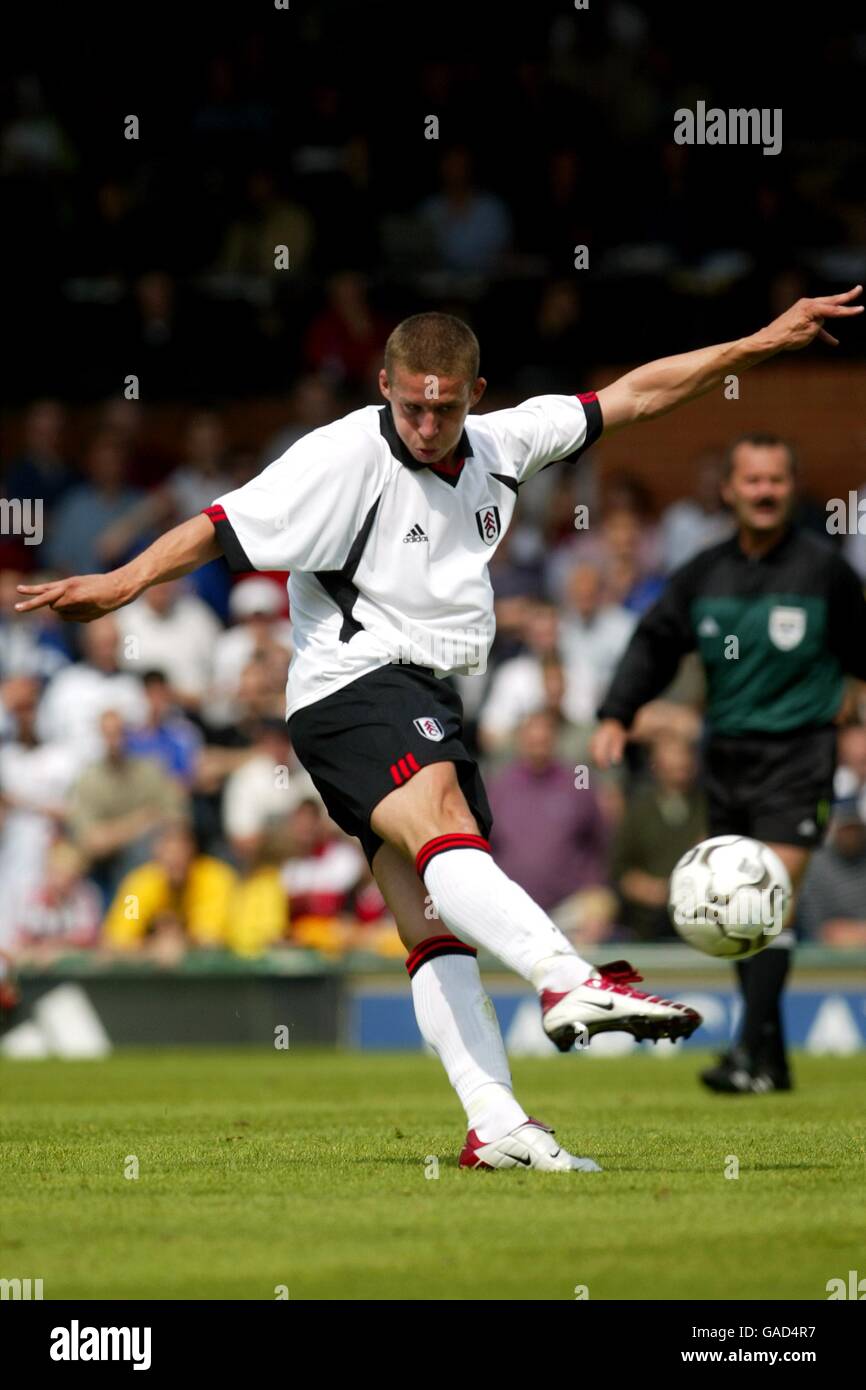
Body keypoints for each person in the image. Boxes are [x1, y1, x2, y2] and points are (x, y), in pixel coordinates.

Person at [15, 288, 864, 1170]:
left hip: (425, 692)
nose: (426, 423)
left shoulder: (503, 444)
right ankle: (569, 979)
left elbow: (643, 393)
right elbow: (215, 524)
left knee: (430, 918)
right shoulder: (338, 458)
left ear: (477, 394)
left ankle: (497, 1124)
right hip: (352, 686)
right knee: (448, 827)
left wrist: (763, 342)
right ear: (383, 386)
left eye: (445, 407)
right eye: (411, 404)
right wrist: (121, 583)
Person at [592, 430, 866, 1093]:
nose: (765, 491)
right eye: (753, 480)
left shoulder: (824, 569)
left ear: (791, 487)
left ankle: (749, 1056)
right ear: (729, 489)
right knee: (738, 912)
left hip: (801, 755)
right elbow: (654, 641)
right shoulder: (704, 573)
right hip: (728, 758)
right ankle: (771, 1061)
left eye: (776, 480)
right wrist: (615, 712)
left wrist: (854, 704)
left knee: (764, 901)